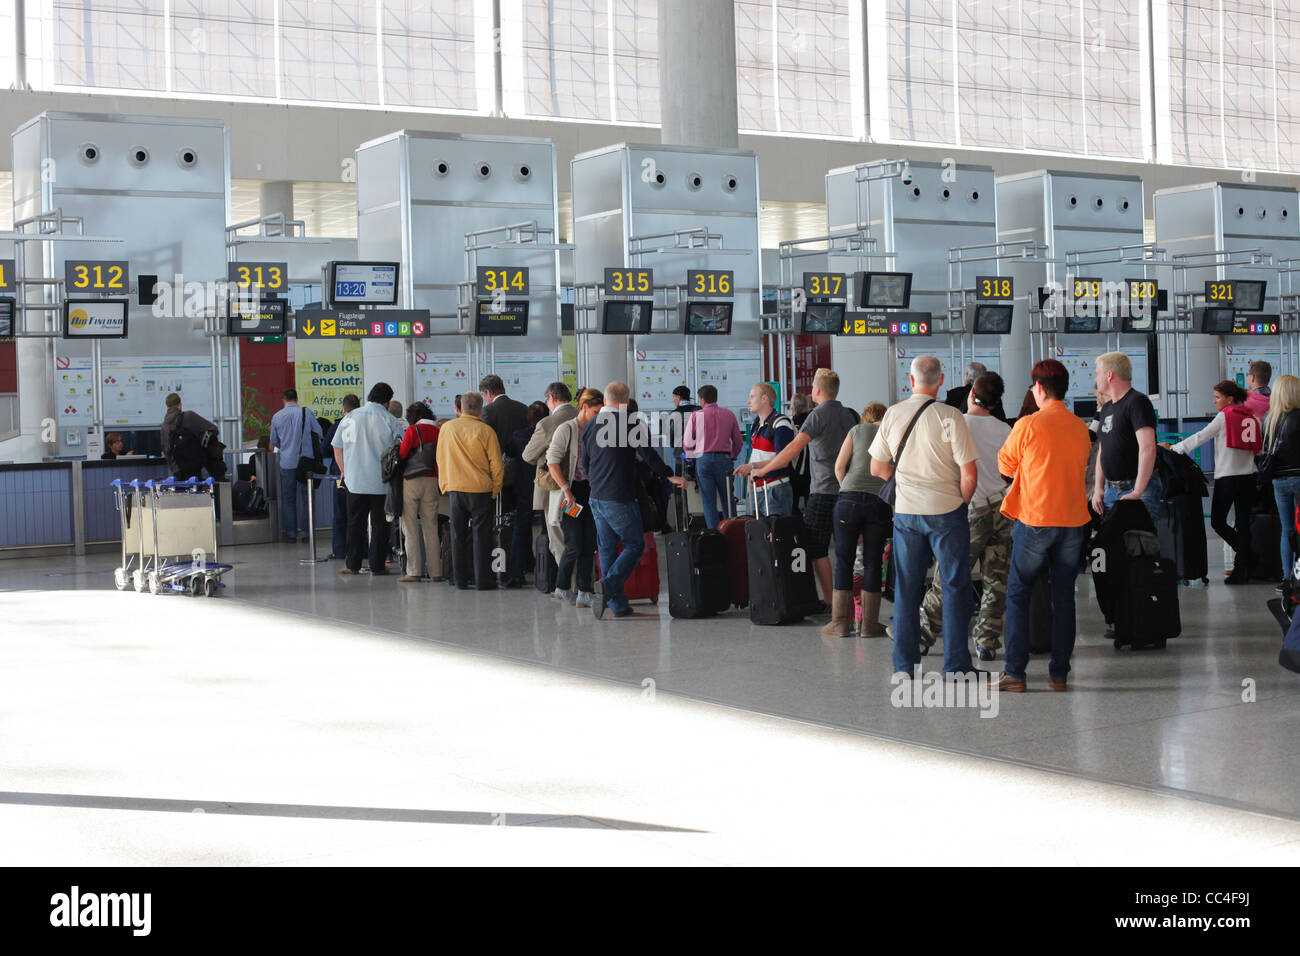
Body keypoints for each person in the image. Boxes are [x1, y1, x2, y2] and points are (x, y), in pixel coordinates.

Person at [869, 355, 980, 676]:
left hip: (907, 514)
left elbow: (877, 467)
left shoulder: (893, 414)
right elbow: (969, 475)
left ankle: (904, 665)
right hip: (947, 513)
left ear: (911, 379)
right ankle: (956, 665)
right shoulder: (951, 416)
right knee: (955, 587)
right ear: (941, 381)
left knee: (907, 588)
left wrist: (905, 484)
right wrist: (959, 503)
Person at [993, 359, 1092, 693]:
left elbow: (1004, 465)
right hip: (1073, 521)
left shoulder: (1029, 424)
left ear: (1037, 388)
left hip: (1035, 519)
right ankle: (1059, 674)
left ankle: (1015, 674)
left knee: (1019, 593)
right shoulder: (1080, 427)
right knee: (1064, 599)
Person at [918, 372, 1013, 660]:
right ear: (996, 402)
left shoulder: (956, 425)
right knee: (996, 579)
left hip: (970, 510)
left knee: (949, 573)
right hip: (1003, 508)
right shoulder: (1005, 430)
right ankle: (986, 641)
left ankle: (923, 635)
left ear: (971, 394)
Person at [752, 369, 859, 606]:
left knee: (814, 547)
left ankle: (831, 602)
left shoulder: (817, 415)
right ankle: (847, 600)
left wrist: (764, 469)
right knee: (844, 548)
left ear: (818, 390)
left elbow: (792, 449)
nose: (811, 390)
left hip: (822, 491)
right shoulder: (848, 415)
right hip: (848, 490)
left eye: (812, 386)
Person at [582, 381, 686, 619]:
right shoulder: (630, 423)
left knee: (606, 548)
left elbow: (585, 462)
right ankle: (608, 585)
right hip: (619, 495)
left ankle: (617, 605)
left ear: (606, 401)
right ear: (627, 403)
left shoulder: (590, 425)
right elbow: (649, 455)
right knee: (635, 545)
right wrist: (669, 475)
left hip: (596, 496)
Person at [1161, 381, 1258, 585]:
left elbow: (1200, 436)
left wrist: (1174, 448)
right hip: (1249, 476)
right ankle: (1244, 566)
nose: (1214, 401)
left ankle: (1246, 554)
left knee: (1217, 522)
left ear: (1229, 399)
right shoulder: (1250, 414)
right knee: (1242, 524)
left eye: (1217, 397)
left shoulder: (1225, 416)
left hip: (1228, 477)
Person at [825, 401, 891, 638]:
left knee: (844, 559)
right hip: (878, 502)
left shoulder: (856, 430)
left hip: (848, 501)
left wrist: (848, 491)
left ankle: (840, 623)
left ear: (865, 417)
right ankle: (869, 625)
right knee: (873, 561)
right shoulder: (891, 433)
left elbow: (839, 466)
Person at [332, 383, 404, 577]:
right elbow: (400, 450)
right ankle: (377, 565)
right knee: (380, 526)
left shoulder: (350, 417)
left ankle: (352, 564)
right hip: (381, 483)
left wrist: (344, 471)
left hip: (355, 481)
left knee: (355, 523)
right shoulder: (391, 420)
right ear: (387, 402)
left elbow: (337, 446)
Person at [436, 391, 504, 590]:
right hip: (481, 489)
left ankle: (460, 580)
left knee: (457, 535)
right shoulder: (486, 431)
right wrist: (495, 488)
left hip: (456, 489)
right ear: (481, 409)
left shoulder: (447, 429)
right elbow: (497, 465)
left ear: (460, 408)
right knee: (481, 536)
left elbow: (440, 459)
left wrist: (444, 485)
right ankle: (483, 581)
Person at [547, 388, 604, 607]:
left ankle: (584, 591)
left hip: (592, 492)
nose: (599, 416)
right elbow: (552, 461)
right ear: (584, 407)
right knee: (573, 543)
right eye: (596, 411)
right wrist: (566, 490)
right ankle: (561, 587)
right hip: (571, 494)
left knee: (589, 542)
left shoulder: (598, 429)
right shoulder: (567, 429)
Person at [1091, 351, 1161, 527]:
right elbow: (1102, 450)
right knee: (1114, 546)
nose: (1096, 378)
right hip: (1111, 489)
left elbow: (1148, 448)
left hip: (1136, 487)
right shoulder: (1107, 408)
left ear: (1109, 375)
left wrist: (1137, 491)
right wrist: (1098, 487)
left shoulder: (1137, 402)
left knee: (1139, 544)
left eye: (1097, 373)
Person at [479, 374, 531, 584]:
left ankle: (501, 564)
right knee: (521, 519)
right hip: (523, 471)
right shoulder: (522, 408)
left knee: (498, 522)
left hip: (498, 475)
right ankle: (524, 562)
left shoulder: (488, 411)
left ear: (488, 393)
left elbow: (483, 443)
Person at [523, 382, 578, 566]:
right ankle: (582, 583)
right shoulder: (582, 416)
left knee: (558, 538)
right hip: (583, 485)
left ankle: (566, 586)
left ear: (552, 398)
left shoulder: (547, 423)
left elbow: (528, 455)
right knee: (578, 534)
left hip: (556, 488)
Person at [682, 384, 743, 528]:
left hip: (704, 460)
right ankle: (733, 532)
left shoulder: (696, 416)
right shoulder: (729, 414)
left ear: (702, 400)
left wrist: (691, 458)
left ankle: (714, 535)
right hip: (724, 460)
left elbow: (687, 443)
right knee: (728, 499)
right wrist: (732, 456)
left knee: (709, 501)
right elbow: (738, 441)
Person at [395, 401, 442, 584]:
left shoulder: (413, 430)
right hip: (432, 480)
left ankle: (414, 572)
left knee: (410, 526)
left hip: (412, 481)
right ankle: (435, 572)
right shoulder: (438, 431)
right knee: (431, 526)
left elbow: (403, 454)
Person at [503, 401, 548, 587]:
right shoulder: (552, 432)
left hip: (525, 488)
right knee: (548, 528)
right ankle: (548, 572)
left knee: (521, 529)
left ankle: (516, 573)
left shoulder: (519, 436)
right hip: (546, 487)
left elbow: (510, 452)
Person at [268, 388, 323, 542]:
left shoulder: (277, 416)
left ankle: (291, 534)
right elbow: (318, 432)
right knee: (307, 499)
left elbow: (274, 441)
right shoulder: (306, 413)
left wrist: (286, 446)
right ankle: (307, 533)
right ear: (297, 399)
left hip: (287, 463)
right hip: (306, 463)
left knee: (288, 499)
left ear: (283, 400)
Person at [734, 382, 795, 517]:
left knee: (776, 534)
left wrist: (752, 466)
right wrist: (749, 488)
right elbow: (755, 454)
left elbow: (783, 460)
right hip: (756, 490)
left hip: (775, 490)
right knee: (756, 535)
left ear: (764, 399)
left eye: (752, 396)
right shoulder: (756, 424)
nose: (748, 401)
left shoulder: (781, 424)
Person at [1264, 375, 1300, 586]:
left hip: (1279, 480)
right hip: (1299, 477)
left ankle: (1287, 578)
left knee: (1287, 529)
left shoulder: (1269, 420)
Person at [323, 394, 360, 559]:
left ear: (343, 409)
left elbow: (325, 449)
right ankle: (361, 550)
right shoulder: (363, 424)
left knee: (339, 513)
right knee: (359, 513)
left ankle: (339, 550)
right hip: (360, 474)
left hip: (339, 475)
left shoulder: (338, 425)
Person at [160, 392, 225, 481]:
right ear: (180, 404)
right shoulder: (189, 416)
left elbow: (166, 450)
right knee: (198, 491)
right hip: (195, 466)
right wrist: (204, 446)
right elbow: (213, 430)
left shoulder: (164, 426)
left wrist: (175, 470)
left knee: (182, 493)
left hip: (177, 470)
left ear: (167, 406)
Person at [788, 393, 814, 513]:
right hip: (812, 465)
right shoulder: (812, 420)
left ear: (793, 407)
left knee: (794, 499)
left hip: (796, 466)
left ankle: (796, 525)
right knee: (810, 498)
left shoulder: (792, 423)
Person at [668, 385, 700, 469]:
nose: (673, 400)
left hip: (681, 453)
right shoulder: (698, 409)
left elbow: (671, 436)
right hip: (698, 454)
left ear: (678, 397)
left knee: (680, 479)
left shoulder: (674, 413)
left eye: (674, 397)